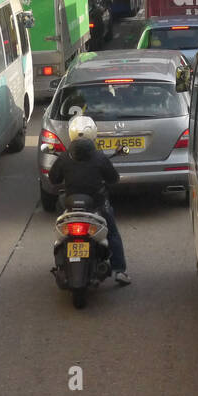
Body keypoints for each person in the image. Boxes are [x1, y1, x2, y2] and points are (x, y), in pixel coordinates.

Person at [48, 115, 130, 285]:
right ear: (94, 134)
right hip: (97, 205)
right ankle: (119, 270)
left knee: (60, 232)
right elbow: (113, 179)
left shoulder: (64, 157)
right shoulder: (100, 157)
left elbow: (53, 179)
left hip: (71, 206)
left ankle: (63, 261)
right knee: (112, 233)